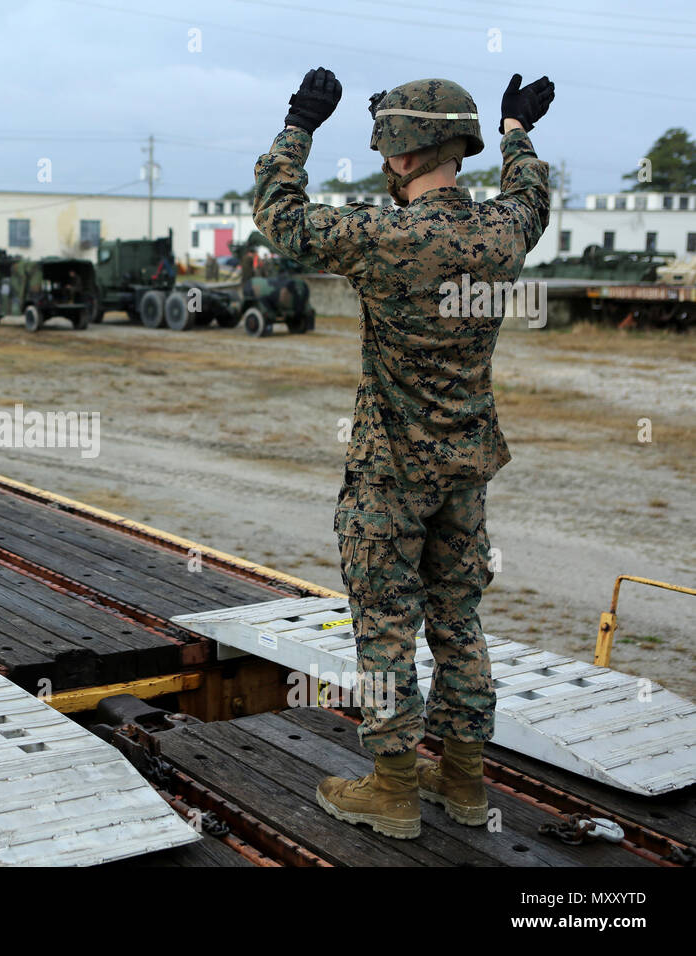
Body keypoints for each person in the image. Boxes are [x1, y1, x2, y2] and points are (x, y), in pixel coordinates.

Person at [253, 69, 554, 839]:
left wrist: (298, 125)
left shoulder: (377, 235)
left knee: (385, 627)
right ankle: (462, 783)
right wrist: (519, 130)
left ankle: (392, 789)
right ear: (459, 144)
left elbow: (279, 214)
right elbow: (532, 196)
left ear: (403, 151)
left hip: (390, 473)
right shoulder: (501, 231)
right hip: (467, 471)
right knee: (460, 622)